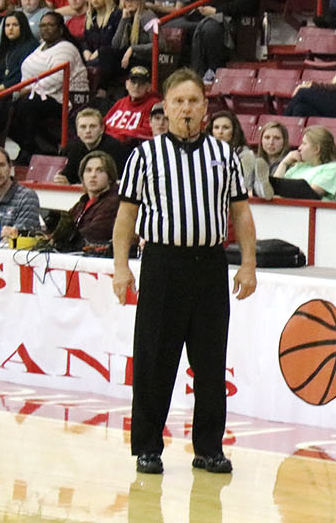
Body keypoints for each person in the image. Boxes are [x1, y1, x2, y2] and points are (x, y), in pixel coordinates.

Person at [113, 69, 257, 476]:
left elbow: (241, 213)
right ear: (167, 109)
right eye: (178, 102)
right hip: (162, 264)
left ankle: (209, 448)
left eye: (194, 101)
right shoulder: (144, 155)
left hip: (210, 265)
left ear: (205, 108)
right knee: (154, 360)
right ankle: (147, 447)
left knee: (211, 362)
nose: (186, 109)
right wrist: (121, 268)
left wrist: (248, 263)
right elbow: (125, 217)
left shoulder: (225, 155)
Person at [8, 11, 90, 158]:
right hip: (40, 94)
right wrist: (23, 88)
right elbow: (27, 70)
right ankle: (38, 148)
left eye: (51, 25)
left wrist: (26, 90)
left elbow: (56, 79)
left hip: (65, 98)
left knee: (26, 105)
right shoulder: (41, 47)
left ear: (60, 29)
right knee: (5, 108)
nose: (46, 28)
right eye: (43, 25)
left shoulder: (66, 48)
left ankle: (29, 151)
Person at [60, 150, 121, 248]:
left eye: (100, 170)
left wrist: (61, 236)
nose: (93, 175)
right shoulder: (83, 202)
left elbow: (94, 232)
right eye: (88, 170)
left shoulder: (114, 202)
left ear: (110, 177)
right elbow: (66, 225)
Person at [272, 124, 336, 200]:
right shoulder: (300, 166)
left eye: (304, 144)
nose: (299, 148)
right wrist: (283, 164)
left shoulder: (334, 168)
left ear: (316, 149)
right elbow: (275, 188)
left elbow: (310, 193)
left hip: (314, 210)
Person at [56, 108, 128, 184]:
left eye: (93, 126)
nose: (88, 131)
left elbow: (117, 181)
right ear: (77, 131)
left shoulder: (115, 148)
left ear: (102, 129)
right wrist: (62, 180)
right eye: (83, 127)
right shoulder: (75, 147)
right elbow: (69, 177)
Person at [105, 65, 161, 142]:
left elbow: (149, 131)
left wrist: (119, 135)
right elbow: (103, 124)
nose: (136, 86)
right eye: (133, 82)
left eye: (141, 83)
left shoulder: (154, 104)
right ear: (127, 84)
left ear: (148, 87)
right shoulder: (121, 102)